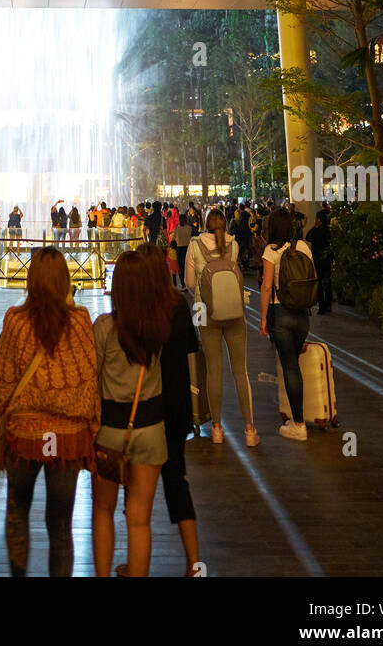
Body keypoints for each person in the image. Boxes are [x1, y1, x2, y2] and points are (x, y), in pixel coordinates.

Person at [0, 248, 99, 577]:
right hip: (66, 440)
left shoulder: (15, 320)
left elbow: (4, 378)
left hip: (24, 437)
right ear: (65, 279)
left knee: (17, 515)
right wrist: (92, 427)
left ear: (30, 278)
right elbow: (89, 379)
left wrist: (1, 413)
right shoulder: (80, 321)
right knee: (61, 529)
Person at [93, 250, 171, 578]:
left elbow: (91, 380)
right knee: (139, 519)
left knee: (103, 511)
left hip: (110, 430)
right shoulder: (160, 326)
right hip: (151, 429)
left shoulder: (104, 328)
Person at [132, 245, 201, 577]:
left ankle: (137, 565)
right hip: (176, 410)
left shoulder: (135, 311)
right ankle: (193, 562)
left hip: (144, 413)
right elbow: (191, 346)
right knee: (177, 482)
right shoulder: (178, 306)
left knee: (137, 493)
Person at [185, 208, 259, 448]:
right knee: (241, 371)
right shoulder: (233, 244)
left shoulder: (194, 245)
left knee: (214, 371)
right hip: (235, 311)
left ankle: (216, 429)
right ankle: (249, 430)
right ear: (226, 224)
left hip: (204, 312)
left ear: (204, 223)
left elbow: (188, 283)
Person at [260, 211, 315, 442]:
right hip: (302, 314)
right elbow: (313, 277)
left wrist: (263, 319)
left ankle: (299, 424)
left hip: (280, 313)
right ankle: (298, 416)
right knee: (294, 365)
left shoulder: (271, 251)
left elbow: (266, 286)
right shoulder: (303, 246)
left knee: (290, 366)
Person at [306, 209, 334, 314]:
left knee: (319, 283)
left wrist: (315, 227)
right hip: (327, 259)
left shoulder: (316, 230)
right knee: (328, 282)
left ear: (319, 220)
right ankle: (328, 305)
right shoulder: (328, 230)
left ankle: (322, 306)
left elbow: (308, 237)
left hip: (318, 260)